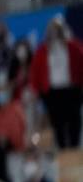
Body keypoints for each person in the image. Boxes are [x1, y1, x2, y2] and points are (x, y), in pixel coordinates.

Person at [30, 16, 83, 150]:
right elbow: (35, 72)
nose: (55, 33)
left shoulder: (73, 47)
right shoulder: (42, 51)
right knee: (57, 123)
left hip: (71, 89)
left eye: (58, 30)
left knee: (74, 121)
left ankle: (74, 149)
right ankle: (63, 150)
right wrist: (36, 91)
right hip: (52, 92)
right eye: (52, 30)